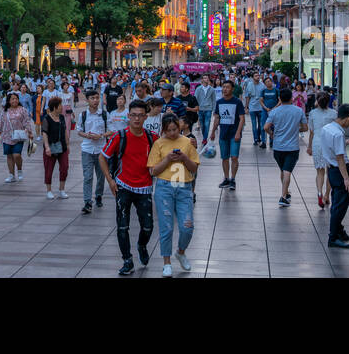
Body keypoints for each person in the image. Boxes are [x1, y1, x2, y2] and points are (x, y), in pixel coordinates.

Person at [100, 100, 157, 276]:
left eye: (141, 115)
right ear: (128, 116)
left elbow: (168, 147)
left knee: (147, 226)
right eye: (133, 115)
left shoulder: (152, 137)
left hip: (145, 188)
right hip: (123, 187)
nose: (137, 119)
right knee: (122, 227)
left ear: (146, 117)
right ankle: (127, 260)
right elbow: (102, 157)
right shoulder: (120, 136)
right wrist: (110, 180)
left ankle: (141, 245)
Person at [149, 112, 200, 277]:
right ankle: (166, 262)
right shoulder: (158, 144)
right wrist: (168, 159)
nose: (172, 133)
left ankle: (181, 251)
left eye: (175, 129)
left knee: (187, 226)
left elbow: (194, 168)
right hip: (164, 188)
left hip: (184, 188)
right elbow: (153, 171)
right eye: (168, 130)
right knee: (167, 227)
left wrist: (184, 157)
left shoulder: (187, 142)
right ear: (163, 130)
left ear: (180, 127)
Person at [321, 103, 349, 249]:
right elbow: (340, 158)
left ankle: (338, 231)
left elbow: (332, 147)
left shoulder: (328, 128)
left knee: (336, 203)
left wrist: (345, 143)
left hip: (331, 171)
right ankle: (333, 237)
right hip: (339, 170)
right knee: (340, 206)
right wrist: (347, 179)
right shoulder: (338, 133)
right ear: (348, 118)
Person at [263, 87, 307, 207]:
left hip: (278, 147)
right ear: (292, 98)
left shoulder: (274, 112)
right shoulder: (298, 111)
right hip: (292, 147)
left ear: (279, 99)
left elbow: (266, 127)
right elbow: (305, 128)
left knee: (283, 170)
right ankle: (283, 197)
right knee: (287, 171)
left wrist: (272, 135)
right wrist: (296, 129)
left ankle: (286, 192)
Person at [207, 79, 247, 190]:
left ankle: (233, 179)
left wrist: (238, 132)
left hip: (234, 134)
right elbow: (217, 118)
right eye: (224, 87)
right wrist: (213, 132)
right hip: (223, 134)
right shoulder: (219, 102)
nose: (225, 89)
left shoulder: (237, 102)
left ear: (232, 89)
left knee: (234, 157)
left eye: (227, 87)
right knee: (224, 158)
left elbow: (242, 118)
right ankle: (226, 178)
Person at [77, 90, 109, 214]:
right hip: (87, 149)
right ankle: (87, 202)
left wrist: (100, 136)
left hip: (101, 150)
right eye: (92, 98)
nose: (95, 100)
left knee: (101, 176)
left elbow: (111, 131)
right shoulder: (83, 115)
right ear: (87, 100)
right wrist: (87, 135)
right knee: (88, 176)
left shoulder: (104, 114)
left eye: (97, 98)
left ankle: (99, 195)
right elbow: (79, 130)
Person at [307, 91, 337, 209]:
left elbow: (312, 131)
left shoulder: (313, 113)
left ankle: (319, 193)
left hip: (317, 143)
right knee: (330, 171)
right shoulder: (334, 113)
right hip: (330, 144)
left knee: (320, 171)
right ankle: (326, 195)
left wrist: (309, 146)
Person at [41, 96, 70, 200]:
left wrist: (68, 144)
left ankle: (61, 190)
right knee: (49, 169)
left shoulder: (62, 117)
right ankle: (49, 190)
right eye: (60, 105)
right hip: (51, 147)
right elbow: (44, 133)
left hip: (62, 146)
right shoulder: (46, 118)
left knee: (64, 168)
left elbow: (65, 131)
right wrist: (47, 147)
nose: (62, 107)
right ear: (54, 107)